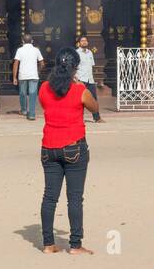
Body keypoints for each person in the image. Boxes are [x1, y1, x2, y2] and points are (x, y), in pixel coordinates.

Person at [38, 47, 99, 255]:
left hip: (49, 147)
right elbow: (95, 108)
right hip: (74, 146)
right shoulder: (80, 90)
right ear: (75, 68)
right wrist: (82, 86)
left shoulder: (44, 88)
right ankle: (75, 244)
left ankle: (48, 244)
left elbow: (46, 105)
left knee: (49, 197)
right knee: (74, 198)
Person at [12, 34, 44, 121]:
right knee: (33, 94)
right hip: (34, 75)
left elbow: (16, 63)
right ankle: (32, 114)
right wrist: (38, 71)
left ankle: (24, 110)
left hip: (23, 75)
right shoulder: (36, 50)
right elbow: (42, 63)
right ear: (32, 41)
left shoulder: (20, 50)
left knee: (22, 93)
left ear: (22, 41)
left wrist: (14, 77)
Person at [75, 35, 101, 123]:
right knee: (80, 100)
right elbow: (74, 67)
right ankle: (78, 118)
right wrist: (76, 79)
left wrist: (95, 78)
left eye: (85, 40)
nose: (84, 42)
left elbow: (92, 66)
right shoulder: (76, 53)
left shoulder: (90, 52)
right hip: (81, 79)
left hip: (90, 79)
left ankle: (97, 118)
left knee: (94, 99)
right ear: (79, 43)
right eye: (82, 41)